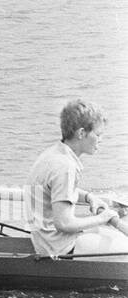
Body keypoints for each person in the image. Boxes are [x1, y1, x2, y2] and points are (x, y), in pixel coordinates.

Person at [23, 100, 128, 258]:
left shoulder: (54, 154)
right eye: (98, 134)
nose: (101, 139)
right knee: (122, 244)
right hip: (58, 249)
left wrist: (88, 197)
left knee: (109, 233)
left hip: (45, 241)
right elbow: (64, 223)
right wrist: (101, 218)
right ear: (81, 133)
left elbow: (56, 189)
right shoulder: (65, 167)